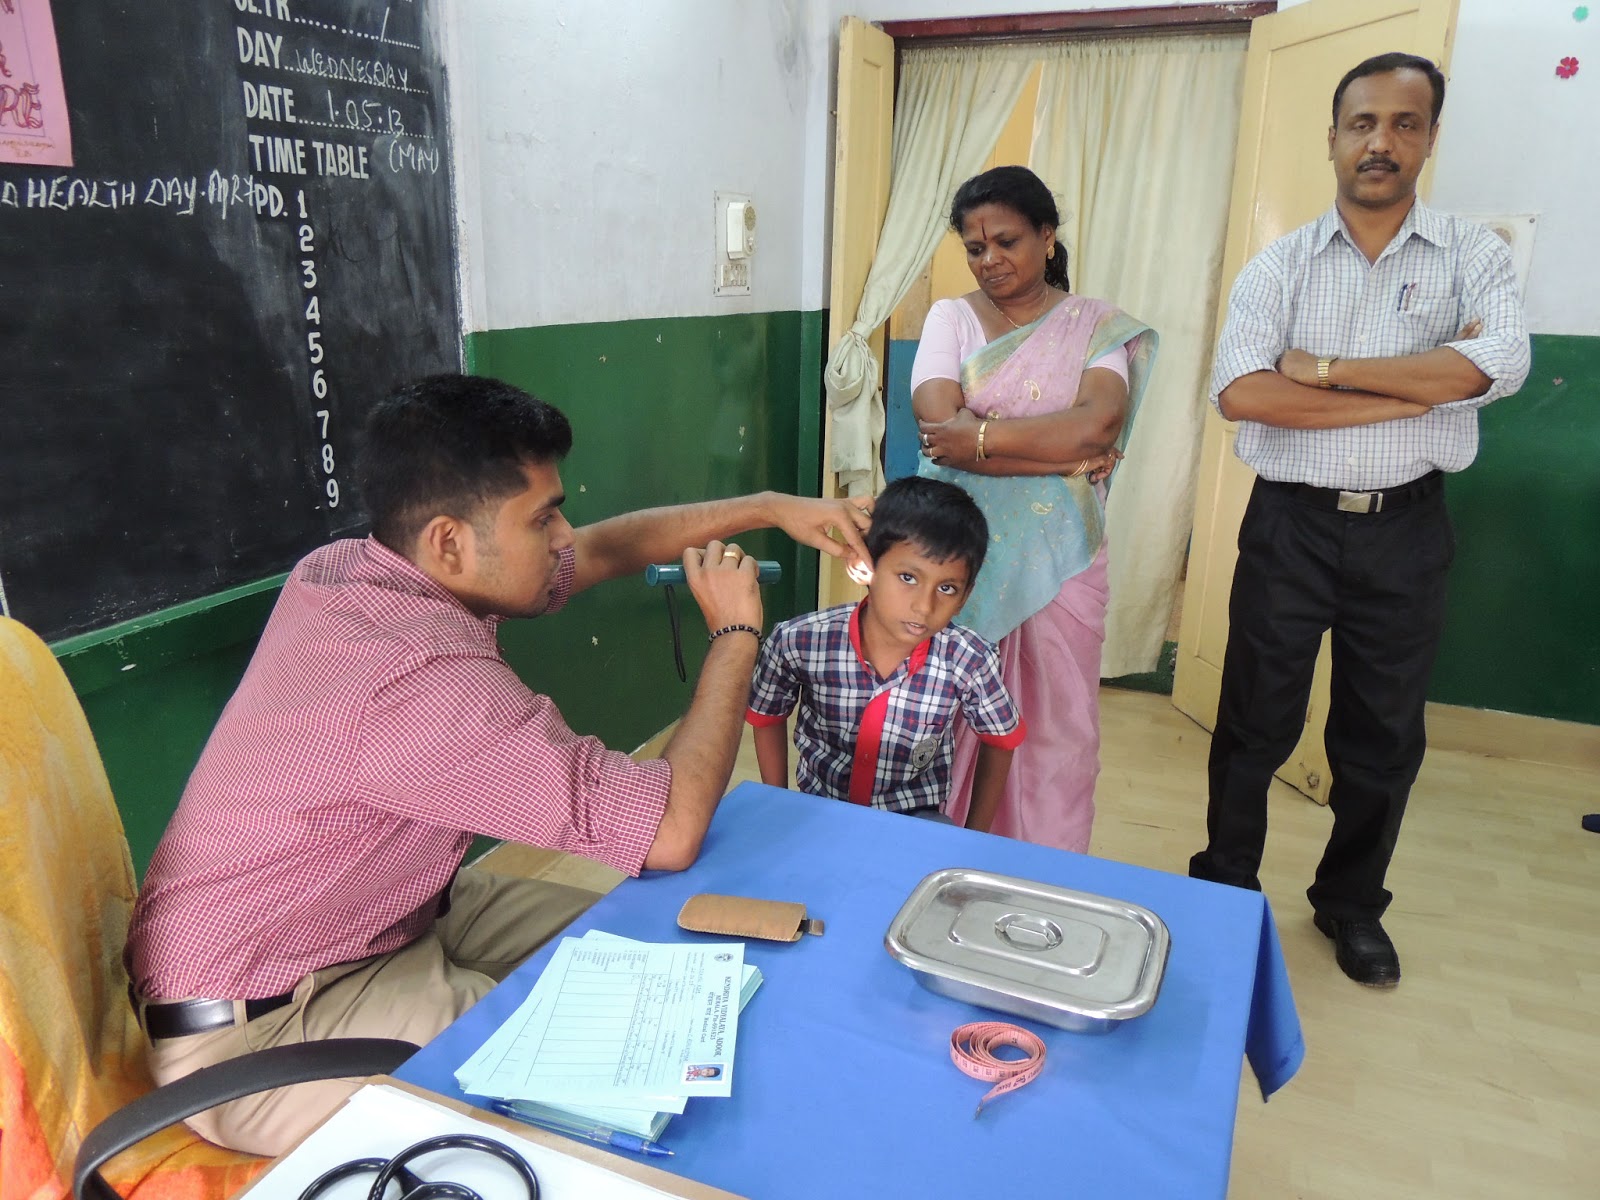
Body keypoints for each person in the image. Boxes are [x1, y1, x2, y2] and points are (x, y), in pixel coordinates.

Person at [123, 373, 873, 1155]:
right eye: (543, 517)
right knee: (620, 1078)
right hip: (265, 1031)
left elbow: (608, 547)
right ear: (449, 539)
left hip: (383, 921)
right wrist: (735, 635)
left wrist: (772, 507)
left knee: (673, 955)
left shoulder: (359, 566)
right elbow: (673, 828)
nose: (563, 536)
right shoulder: (416, 683)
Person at [1187, 53, 1530, 988]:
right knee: (1255, 719)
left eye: (1405, 124)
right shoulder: (1279, 264)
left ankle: (1349, 904)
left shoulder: (1474, 256)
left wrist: (1328, 371)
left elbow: (1491, 367)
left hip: (1407, 531)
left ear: (1428, 138)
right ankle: (1225, 881)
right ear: (1333, 137)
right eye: (1363, 122)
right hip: (1290, 526)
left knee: (1381, 734)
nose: (1382, 141)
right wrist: (1414, 388)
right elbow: (1245, 396)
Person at [912, 165, 1157, 852]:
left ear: (1048, 237)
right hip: (959, 548)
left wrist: (982, 436)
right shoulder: (951, 317)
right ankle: (947, 853)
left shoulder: (1096, 326)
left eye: (1007, 242)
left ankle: (1049, 865)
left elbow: (1099, 426)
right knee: (950, 709)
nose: (990, 261)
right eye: (975, 248)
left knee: (1058, 719)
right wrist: (1059, 458)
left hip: (1065, 556)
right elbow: (939, 433)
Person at [745, 476, 1024, 829]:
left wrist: (975, 835)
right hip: (818, 810)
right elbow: (766, 715)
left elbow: (1001, 739)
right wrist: (779, 800)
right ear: (863, 565)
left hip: (915, 821)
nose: (924, 606)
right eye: (908, 577)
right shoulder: (799, 641)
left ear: (965, 597)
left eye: (948, 587)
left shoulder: (968, 658)